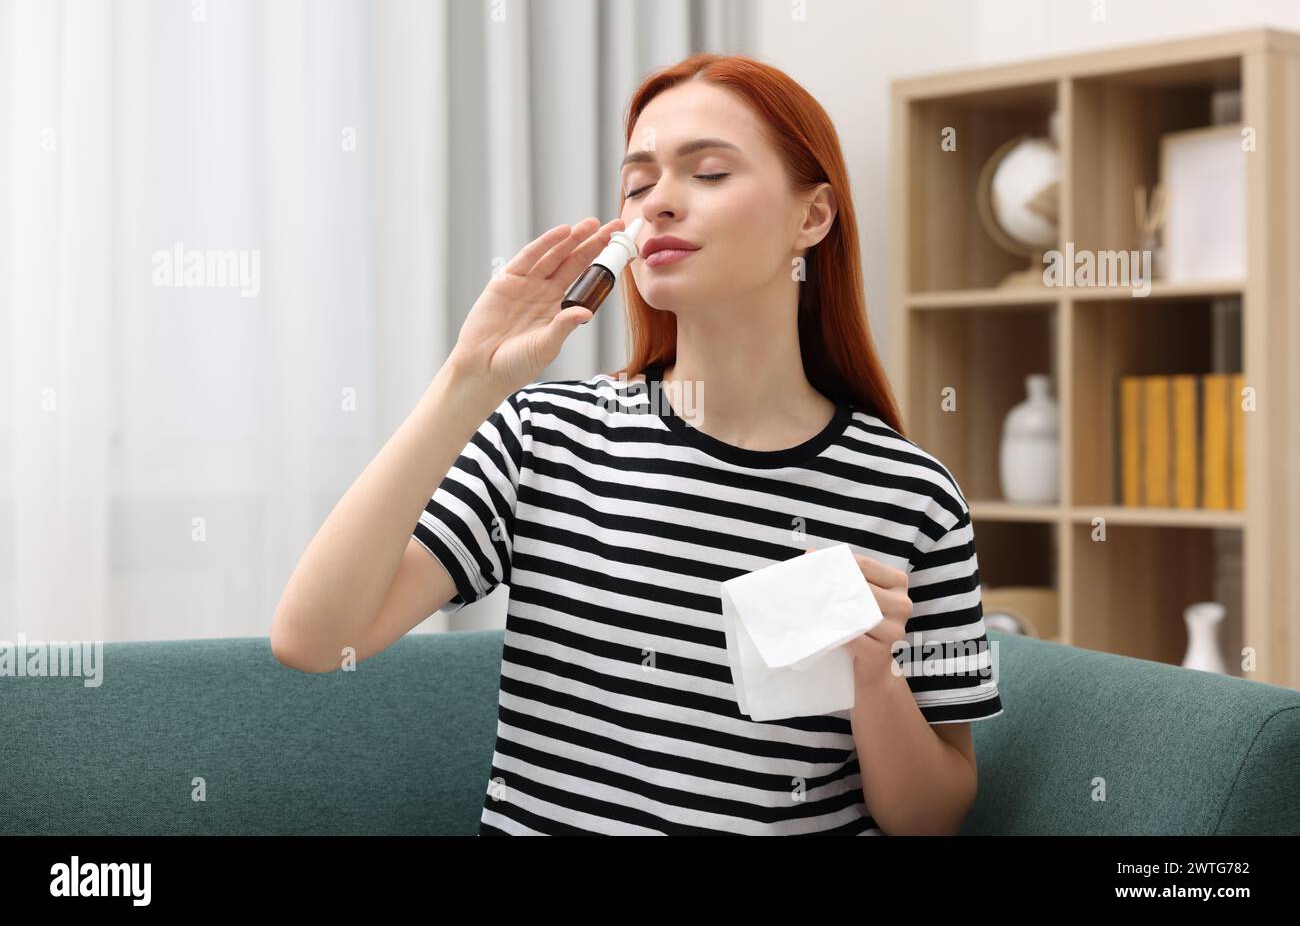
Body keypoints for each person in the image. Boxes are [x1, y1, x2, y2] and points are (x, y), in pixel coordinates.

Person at [271, 53, 1002, 835]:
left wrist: (873, 675)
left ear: (812, 216)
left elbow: (931, 817)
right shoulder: (545, 438)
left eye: (709, 172)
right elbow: (315, 640)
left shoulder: (913, 495)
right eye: (638, 183)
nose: (658, 205)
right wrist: (466, 382)